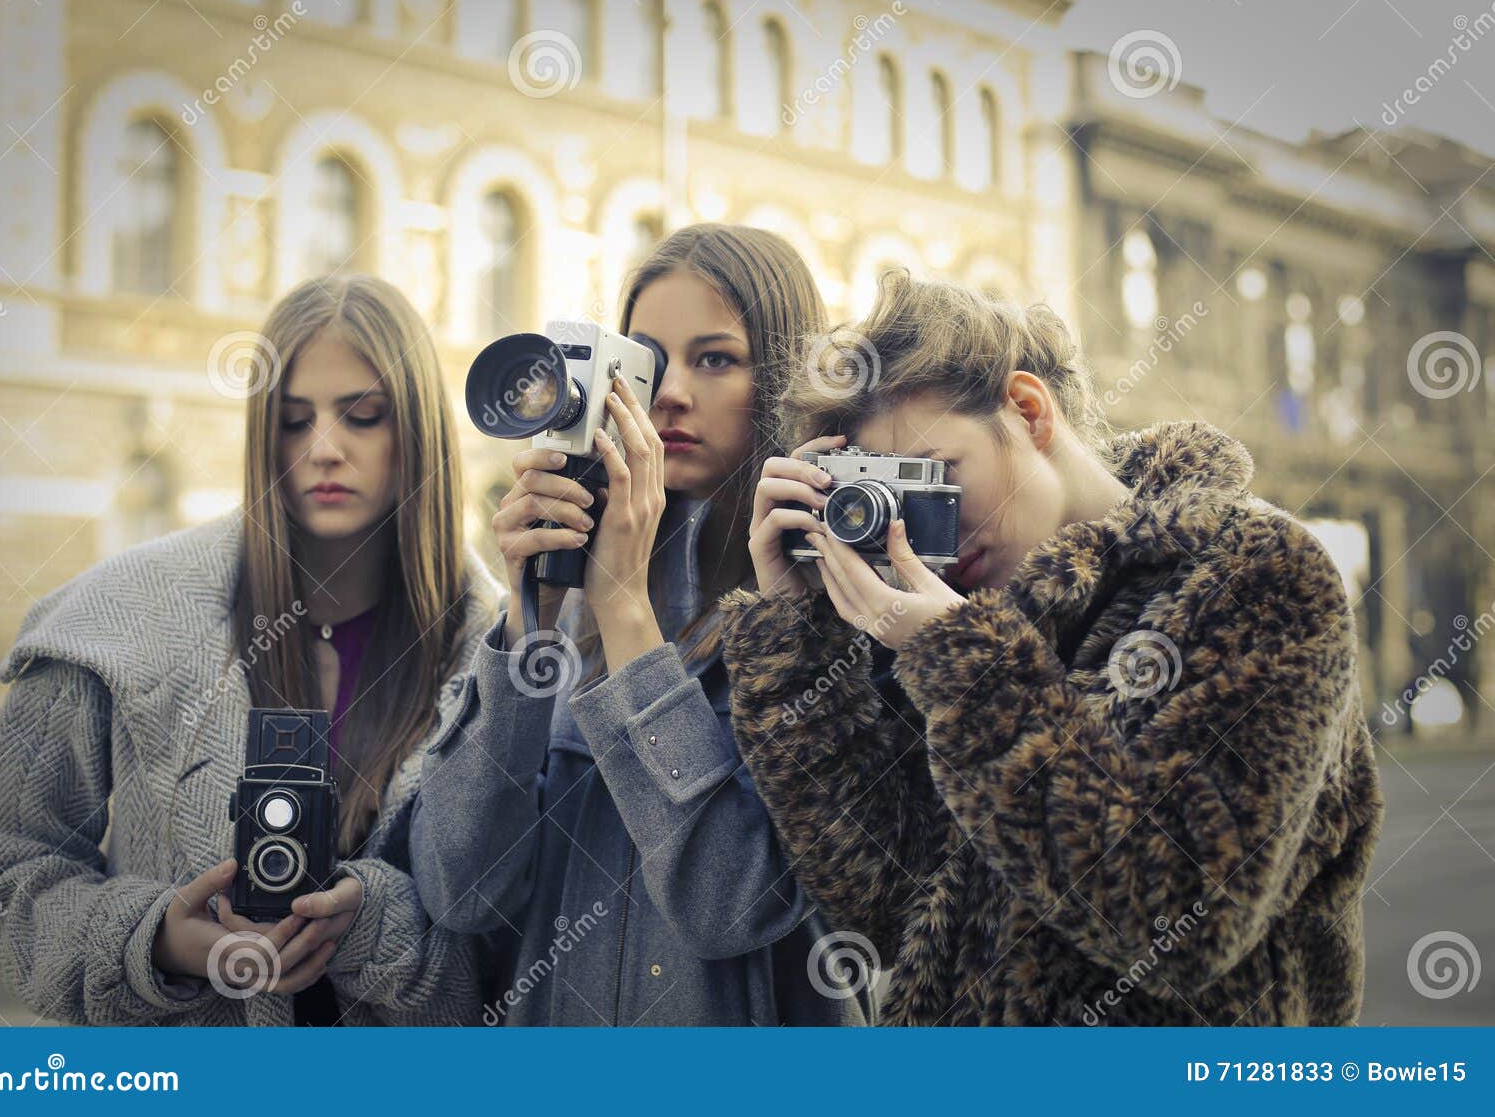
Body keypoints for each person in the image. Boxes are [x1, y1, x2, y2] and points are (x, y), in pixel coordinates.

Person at [719, 270, 1384, 1025]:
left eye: (938, 478)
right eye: (896, 499)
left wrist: (970, 669)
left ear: (1028, 410)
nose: (919, 532)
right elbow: (886, 902)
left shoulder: (1259, 573)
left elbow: (1175, 921)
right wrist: (793, 636)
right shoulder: (961, 625)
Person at [0, 275, 503, 1025]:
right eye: (292, 419)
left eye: (364, 416)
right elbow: (4, 867)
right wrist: (158, 943)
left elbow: (528, 930)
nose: (324, 449)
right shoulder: (118, 615)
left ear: (418, 431)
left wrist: (376, 925)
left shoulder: (502, 655)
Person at [412, 224, 871, 1025]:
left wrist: (624, 607)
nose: (672, 393)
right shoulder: (577, 592)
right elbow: (459, 887)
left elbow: (731, 902)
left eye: (717, 358)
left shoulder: (833, 611)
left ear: (786, 378)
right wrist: (531, 625)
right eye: (651, 360)